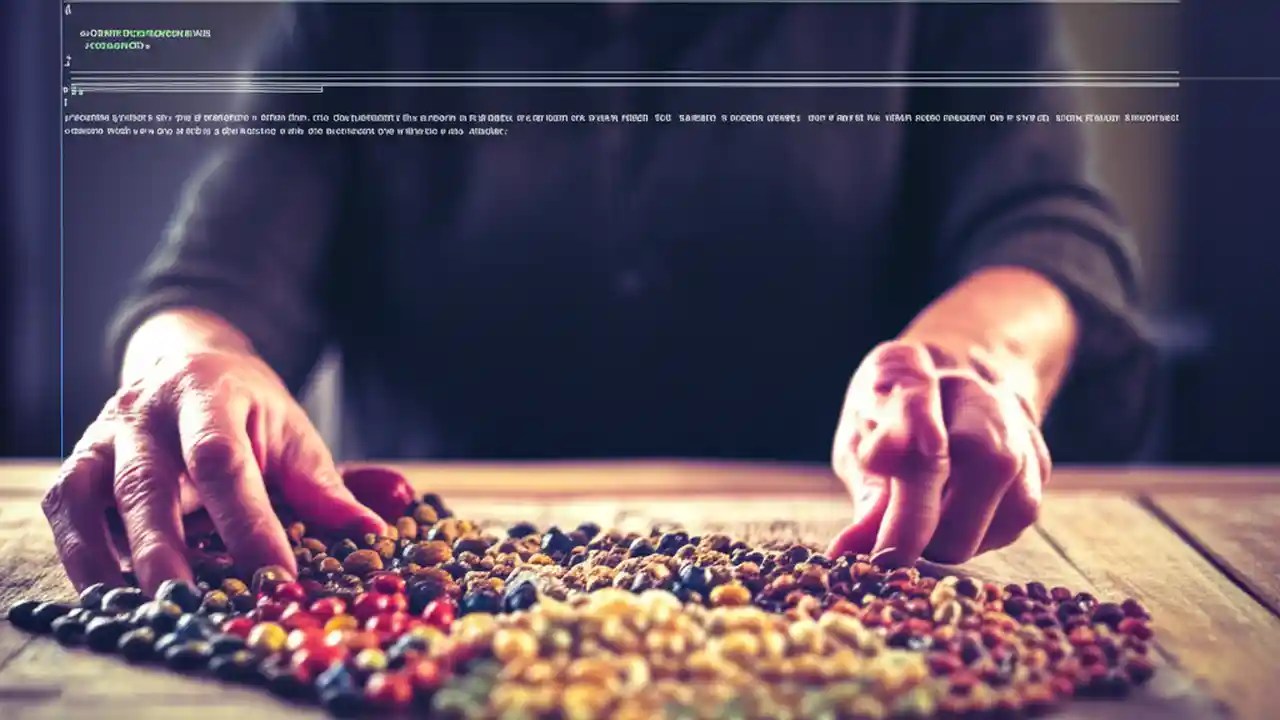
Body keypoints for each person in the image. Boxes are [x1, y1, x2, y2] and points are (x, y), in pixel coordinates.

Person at [44, 3, 1154, 594]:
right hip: (431, 584)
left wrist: (975, 361)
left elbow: (1046, 234)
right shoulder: (360, 19)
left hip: (848, 570)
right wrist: (187, 369)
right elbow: (210, 289)